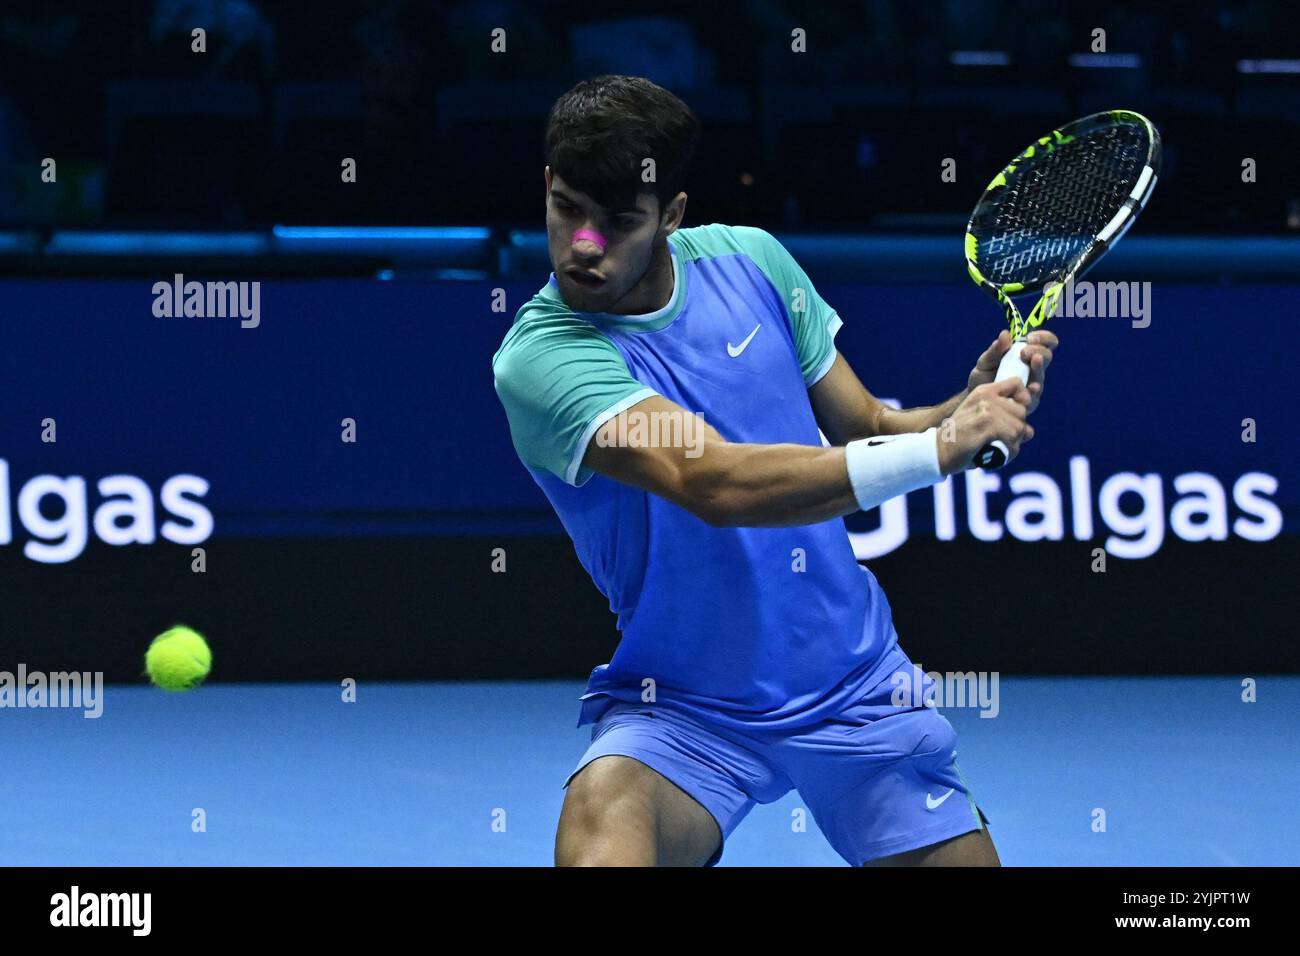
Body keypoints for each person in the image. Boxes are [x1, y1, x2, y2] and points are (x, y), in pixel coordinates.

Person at [491, 75, 1057, 866]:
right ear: (548, 187)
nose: (585, 244)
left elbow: (867, 428)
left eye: (618, 223)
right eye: (568, 211)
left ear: (672, 215)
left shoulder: (752, 260)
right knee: (598, 838)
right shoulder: (543, 358)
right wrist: (940, 449)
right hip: (684, 708)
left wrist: (961, 408)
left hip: (855, 689)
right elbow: (713, 483)